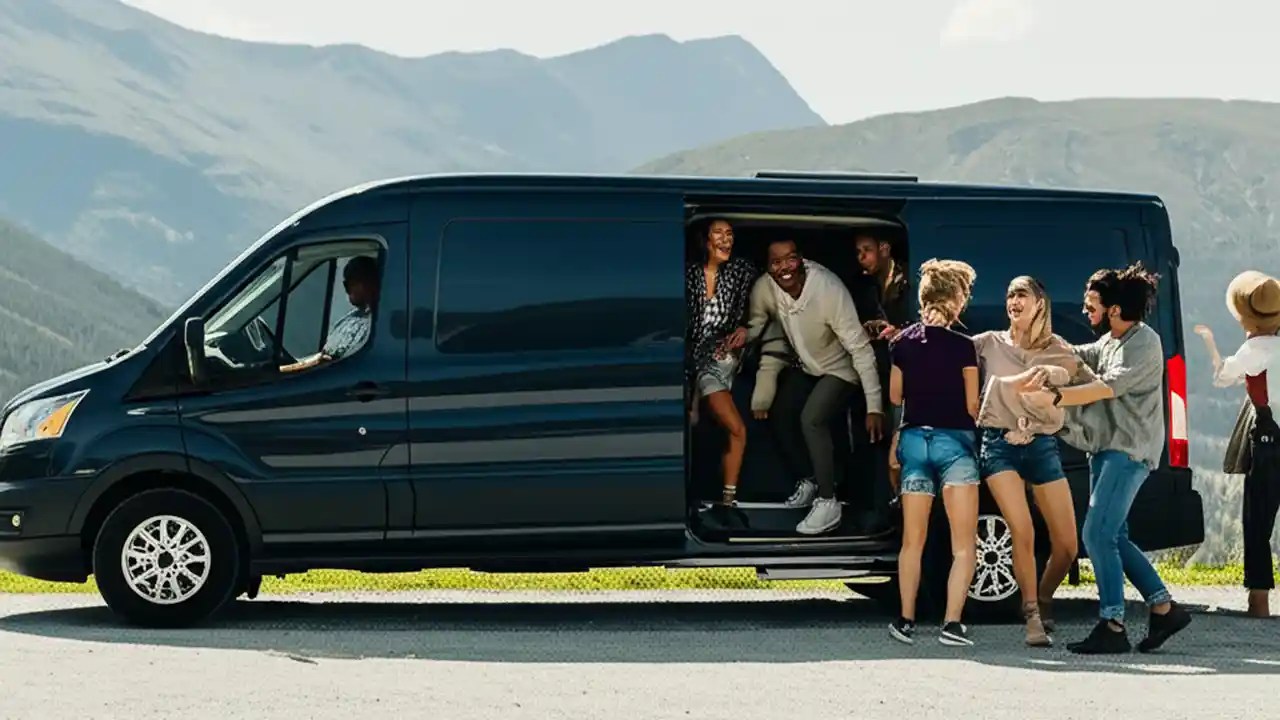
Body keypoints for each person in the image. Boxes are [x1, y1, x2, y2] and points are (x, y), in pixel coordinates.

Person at [1023, 262, 1192, 654]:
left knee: (1096, 534)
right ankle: (1164, 608)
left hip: (1129, 451)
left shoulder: (1143, 343)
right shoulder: (1113, 339)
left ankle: (1113, 624)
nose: (1086, 311)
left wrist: (1056, 399)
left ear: (1114, 309)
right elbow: (1082, 357)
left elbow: (1105, 386)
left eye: (1091, 305)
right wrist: (1038, 349)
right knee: (1114, 535)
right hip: (1106, 448)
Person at [973, 276, 1089, 647]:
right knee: (1022, 529)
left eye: (1021, 294)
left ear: (1040, 302)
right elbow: (943, 349)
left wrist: (1059, 389)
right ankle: (1032, 618)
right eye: (1009, 295)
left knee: (1068, 545)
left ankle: (1043, 596)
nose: (1013, 301)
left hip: (1042, 444)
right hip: (999, 443)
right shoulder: (987, 343)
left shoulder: (1060, 349)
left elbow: (1096, 385)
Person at [746, 239, 884, 535]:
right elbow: (755, 325)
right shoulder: (766, 287)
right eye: (776, 263)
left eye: (791, 259)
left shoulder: (828, 290)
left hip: (840, 369)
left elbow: (860, 349)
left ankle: (828, 501)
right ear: (768, 268)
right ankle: (811, 478)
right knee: (780, 414)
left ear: (801, 260)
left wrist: (874, 407)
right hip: (808, 366)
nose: (784, 268)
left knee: (812, 419)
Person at [885, 258, 981, 647]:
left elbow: (895, 396)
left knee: (913, 541)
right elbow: (973, 405)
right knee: (963, 544)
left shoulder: (902, 343)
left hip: (913, 441)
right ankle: (951, 624)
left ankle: (905, 621)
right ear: (956, 302)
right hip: (954, 442)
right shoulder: (964, 347)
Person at [1193, 269, 1280, 619]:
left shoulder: (1255, 349)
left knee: (1257, 519)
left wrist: (1211, 344)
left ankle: (1258, 599)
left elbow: (1223, 376)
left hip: (1269, 439)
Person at [685, 218, 758, 505]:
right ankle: (726, 502)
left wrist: (747, 328)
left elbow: (765, 300)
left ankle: (723, 500)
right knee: (736, 429)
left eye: (730, 234)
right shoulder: (688, 275)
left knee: (720, 434)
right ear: (705, 240)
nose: (726, 239)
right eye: (719, 233)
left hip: (732, 361)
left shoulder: (741, 271)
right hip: (704, 364)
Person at [281, 254, 380, 373]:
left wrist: (289, 370)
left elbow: (336, 363)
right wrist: (288, 368)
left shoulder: (375, 326)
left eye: (351, 282)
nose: (347, 289)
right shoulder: (351, 318)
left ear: (368, 282)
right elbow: (322, 356)